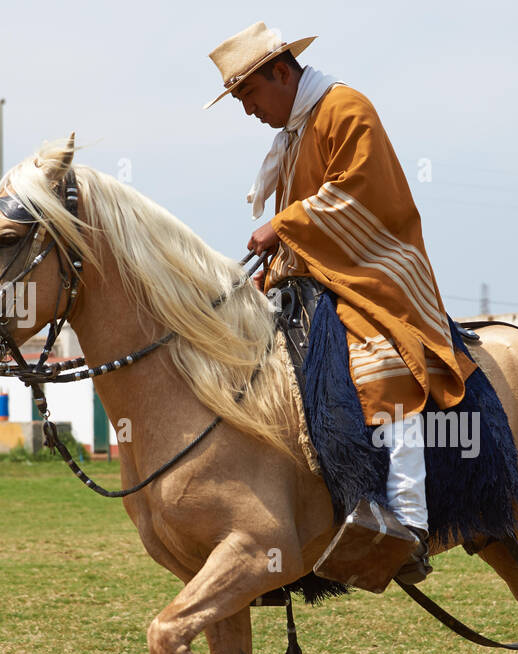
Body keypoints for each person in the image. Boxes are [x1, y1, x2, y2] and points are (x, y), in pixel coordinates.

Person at [205, 22, 475, 582]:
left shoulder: (346, 108)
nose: (249, 111)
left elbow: (360, 195)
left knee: (381, 366)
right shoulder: (296, 133)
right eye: (240, 101)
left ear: (282, 73)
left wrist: (282, 224)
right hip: (322, 278)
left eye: (249, 95)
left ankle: (409, 523)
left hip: (376, 276)